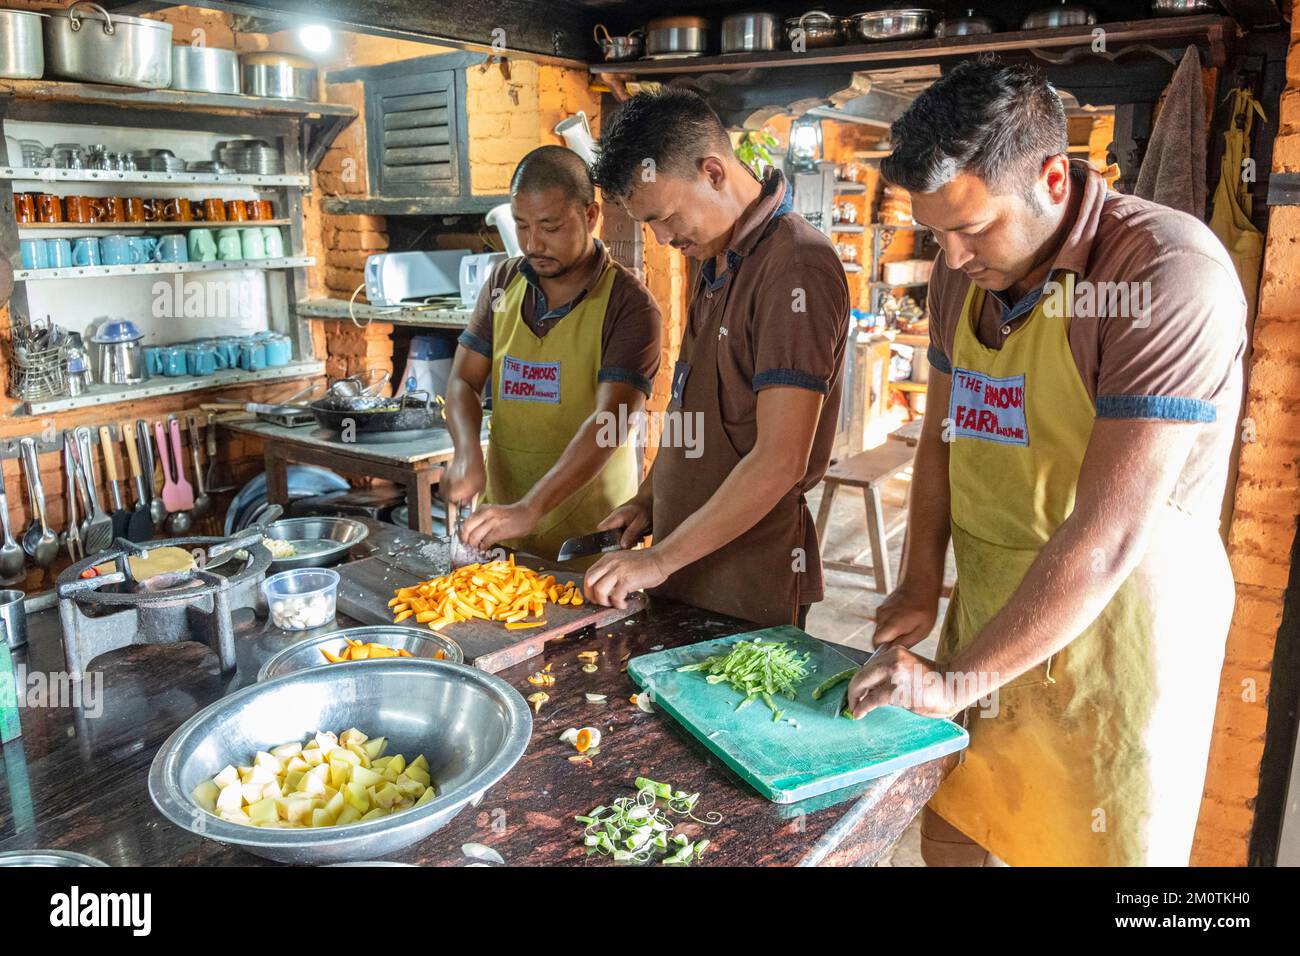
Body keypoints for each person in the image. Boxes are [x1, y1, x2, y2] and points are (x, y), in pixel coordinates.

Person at [845, 60, 1246, 866]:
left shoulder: (1165, 275)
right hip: (989, 614)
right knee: (954, 837)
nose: (952, 260)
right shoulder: (964, 281)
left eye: (973, 229)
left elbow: (1106, 538)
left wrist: (956, 686)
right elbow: (943, 438)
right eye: (935, 235)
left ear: (1052, 177)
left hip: (1119, 636)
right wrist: (921, 577)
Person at [584, 89, 850, 629]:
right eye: (647, 225)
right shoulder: (716, 257)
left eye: (666, 217)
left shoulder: (796, 267)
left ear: (712, 172)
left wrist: (659, 558)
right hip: (688, 565)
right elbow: (692, 408)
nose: (661, 239)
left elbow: (781, 461)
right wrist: (650, 498)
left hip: (748, 577)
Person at [441, 146, 662, 566]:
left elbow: (610, 423)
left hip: (584, 543)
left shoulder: (630, 306)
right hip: (499, 533)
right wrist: (467, 451)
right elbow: (463, 381)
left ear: (591, 216)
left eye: (550, 226)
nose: (533, 243)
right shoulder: (503, 283)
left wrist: (531, 509)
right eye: (521, 225)